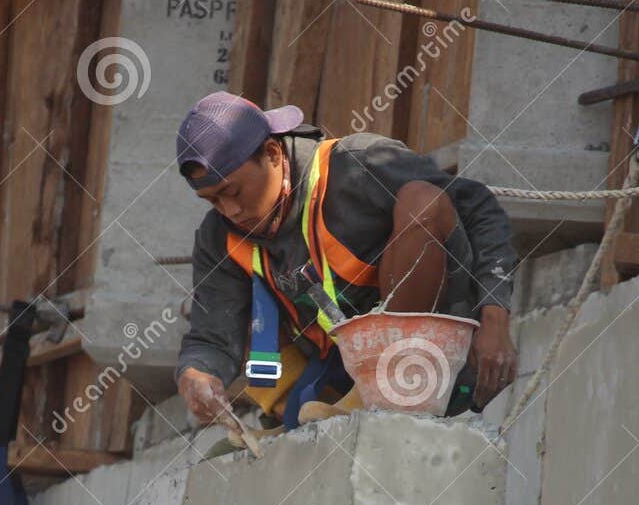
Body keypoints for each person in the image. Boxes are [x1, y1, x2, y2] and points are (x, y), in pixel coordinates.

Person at [173, 92, 518, 430]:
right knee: (222, 307)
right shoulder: (219, 236)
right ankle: (293, 412)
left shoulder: (359, 164)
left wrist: (495, 319)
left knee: (422, 203)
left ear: (273, 153)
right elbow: (211, 337)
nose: (230, 211)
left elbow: (480, 209)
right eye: (212, 200)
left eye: (233, 192)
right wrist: (196, 374)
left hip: (431, 359)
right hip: (335, 374)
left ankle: (382, 389)